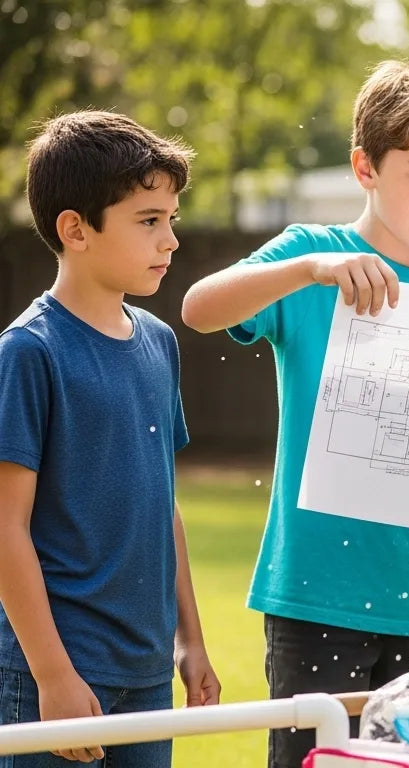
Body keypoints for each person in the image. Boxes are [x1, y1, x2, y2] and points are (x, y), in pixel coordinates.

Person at [181, 60, 409, 768]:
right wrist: (310, 269)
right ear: (365, 167)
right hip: (316, 599)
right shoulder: (309, 261)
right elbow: (199, 308)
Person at [0, 111, 220, 767]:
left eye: (172, 219)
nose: (171, 239)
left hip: (148, 673)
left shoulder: (159, 343)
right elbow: (6, 526)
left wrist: (191, 641)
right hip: (59, 676)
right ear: (76, 230)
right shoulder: (27, 352)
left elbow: (163, 503)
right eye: (149, 220)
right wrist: (52, 676)